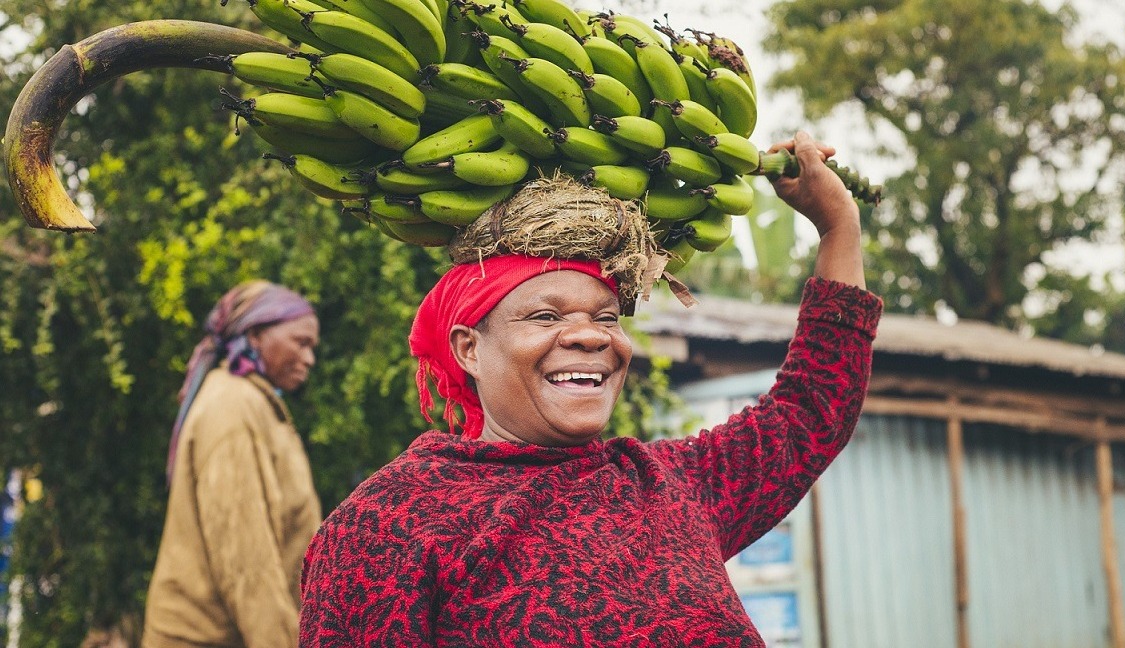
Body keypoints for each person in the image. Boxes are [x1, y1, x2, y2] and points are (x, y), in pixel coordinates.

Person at [299, 131, 882, 646]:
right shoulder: (387, 526)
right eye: (544, 317)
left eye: (606, 318)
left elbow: (811, 409)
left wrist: (837, 226)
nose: (588, 337)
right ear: (469, 350)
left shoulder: (669, 483)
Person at [143, 280, 323, 648]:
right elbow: (246, 558)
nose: (309, 359)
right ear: (255, 334)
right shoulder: (232, 408)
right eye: (300, 343)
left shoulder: (253, 402)